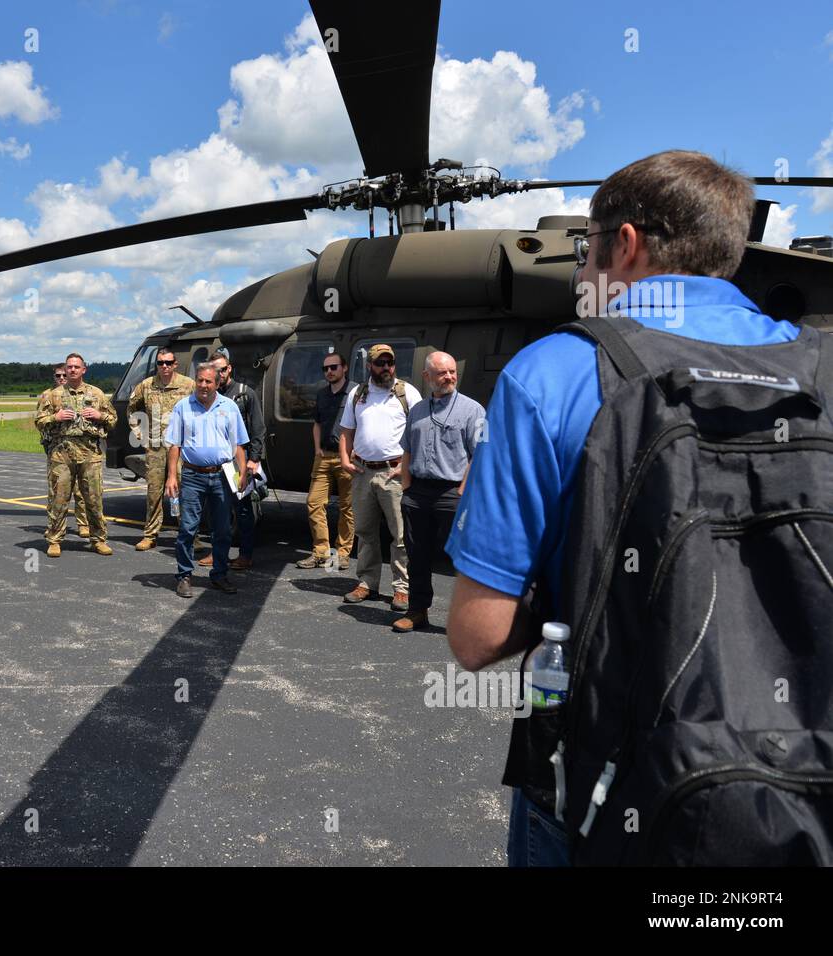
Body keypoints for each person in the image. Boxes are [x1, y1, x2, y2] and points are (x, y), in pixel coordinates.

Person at [443, 150, 802, 866]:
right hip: (793, 788)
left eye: (586, 252)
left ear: (627, 244)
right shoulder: (818, 370)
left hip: (605, 787)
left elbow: (476, 637)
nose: (580, 275)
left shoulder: (552, 372)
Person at [393, 352, 485, 632]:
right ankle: (417, 611)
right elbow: (407, 449)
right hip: (418, 493)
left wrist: (462, 492)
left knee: (463, 556)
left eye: (452, 372)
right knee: (417, 554)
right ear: (427, 377)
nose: (449, 377)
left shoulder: (474, 410)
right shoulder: (418, 410)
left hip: (453, 493)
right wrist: (407, 488)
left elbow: (480, 454)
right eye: (443, 373)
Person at [338, 344, 423, 612]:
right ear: (370, 366)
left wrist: (407, 467)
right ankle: (367, 582)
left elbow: (422, 432)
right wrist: (344, 459)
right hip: (363, 472)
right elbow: (346, 432)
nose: (386, 368)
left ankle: (401, 588)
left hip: (394, 472)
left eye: (390, 363)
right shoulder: (358, 394)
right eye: (380, 363)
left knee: (399, 535)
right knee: (365, 532)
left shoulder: (407, 392)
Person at [164, 362, 248, 597]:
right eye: (199, 380)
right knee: (188, 529)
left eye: (208, 381)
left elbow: (238, 444)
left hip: (222, 476)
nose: (203, 385)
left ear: (217, 382)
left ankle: (219, 575)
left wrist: (242, 473)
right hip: (192, 476)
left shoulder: (229, 407)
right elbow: (174, 445)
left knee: (222, 530)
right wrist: (172, 476)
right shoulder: (183, 406)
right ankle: (184, 576)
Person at [35, 353, 117, 557]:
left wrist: (100, 415)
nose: (72, 370)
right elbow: (39, 421)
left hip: (90, 454)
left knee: (94, 499)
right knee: (58, 499)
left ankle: (98, 539)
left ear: (84, 369)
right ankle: (54, 540)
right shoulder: (52, 395)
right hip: (61, 454)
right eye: (69, 367)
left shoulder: (97, 394)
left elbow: (113, 420)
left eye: (76, 367)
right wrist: (56, 416)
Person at [198, 351, 265, 570]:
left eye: (222, 369)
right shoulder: (209, 396)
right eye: (215, 370)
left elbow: (258, 430)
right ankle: (218, 553)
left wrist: (253, 460)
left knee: (243, 510)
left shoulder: (246, 394)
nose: (219, 374)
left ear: (229, 369)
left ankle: (245, 555)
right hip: (215, 462)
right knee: (217, 510)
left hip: (239, 460)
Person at [126, 349, 195, 551]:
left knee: (183, 491)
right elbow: (131, 410)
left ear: (175, 364)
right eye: (160, 363)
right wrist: (141, 435)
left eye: (168, 362)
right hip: (155, 448)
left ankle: (189, 534)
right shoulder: (146, 386)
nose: (164, 366)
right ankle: (150, 534)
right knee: (154, 492)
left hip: (180, 448)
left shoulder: (188, 385)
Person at [296, 350, 355, 570]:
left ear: (344, 368)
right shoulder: (321, 394)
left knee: (347, 508)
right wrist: (317, 448)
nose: (329, 372)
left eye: (333, 367)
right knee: (314, 503)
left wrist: (353, 452)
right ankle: (320, 552)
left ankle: (342, 553)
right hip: (324, 457)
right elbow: (317, 423)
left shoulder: (356, 393)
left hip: (346, 459)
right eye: (325, 369)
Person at [40, 363, 89, 538]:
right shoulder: (48, 395)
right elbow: (40, 421)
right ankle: (53, 526)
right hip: (56, 448)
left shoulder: (81, 394)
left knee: (80, 490)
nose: (61, 378)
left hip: (81, 448)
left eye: (64, 375)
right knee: (56, 491)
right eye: (58, 376)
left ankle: (83, 523)